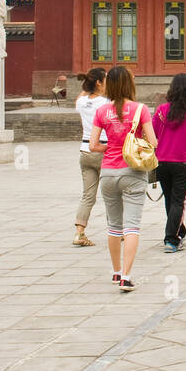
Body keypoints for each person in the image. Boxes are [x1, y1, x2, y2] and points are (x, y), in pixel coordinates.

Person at [89, 66, 158, 292]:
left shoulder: (102, 111)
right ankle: (127, 277)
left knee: (114, 227)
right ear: (129, 84)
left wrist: (111, 148)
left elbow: (92, 145)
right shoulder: (140, 109)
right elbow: (153, 142)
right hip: (133, 172)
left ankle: (116, 271)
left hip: (108, 172)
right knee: (132, 227)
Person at [153, 73, 186, 253]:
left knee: (170, 198)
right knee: (178, 201)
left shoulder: (160, 110)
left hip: (161, 160)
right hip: (182, 160)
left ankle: (179, 229)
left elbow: (154, 134)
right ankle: (171, 239)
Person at [72, 68, 107, 246]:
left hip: (85, 150)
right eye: (105, 79)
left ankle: (79, 233)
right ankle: (120, 230)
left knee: (88, 195)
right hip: (103, 149)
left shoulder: (82, 101)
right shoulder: (106, 102)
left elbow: (79, 98)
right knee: (113, 193)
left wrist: (88, 86)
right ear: (99, 83)